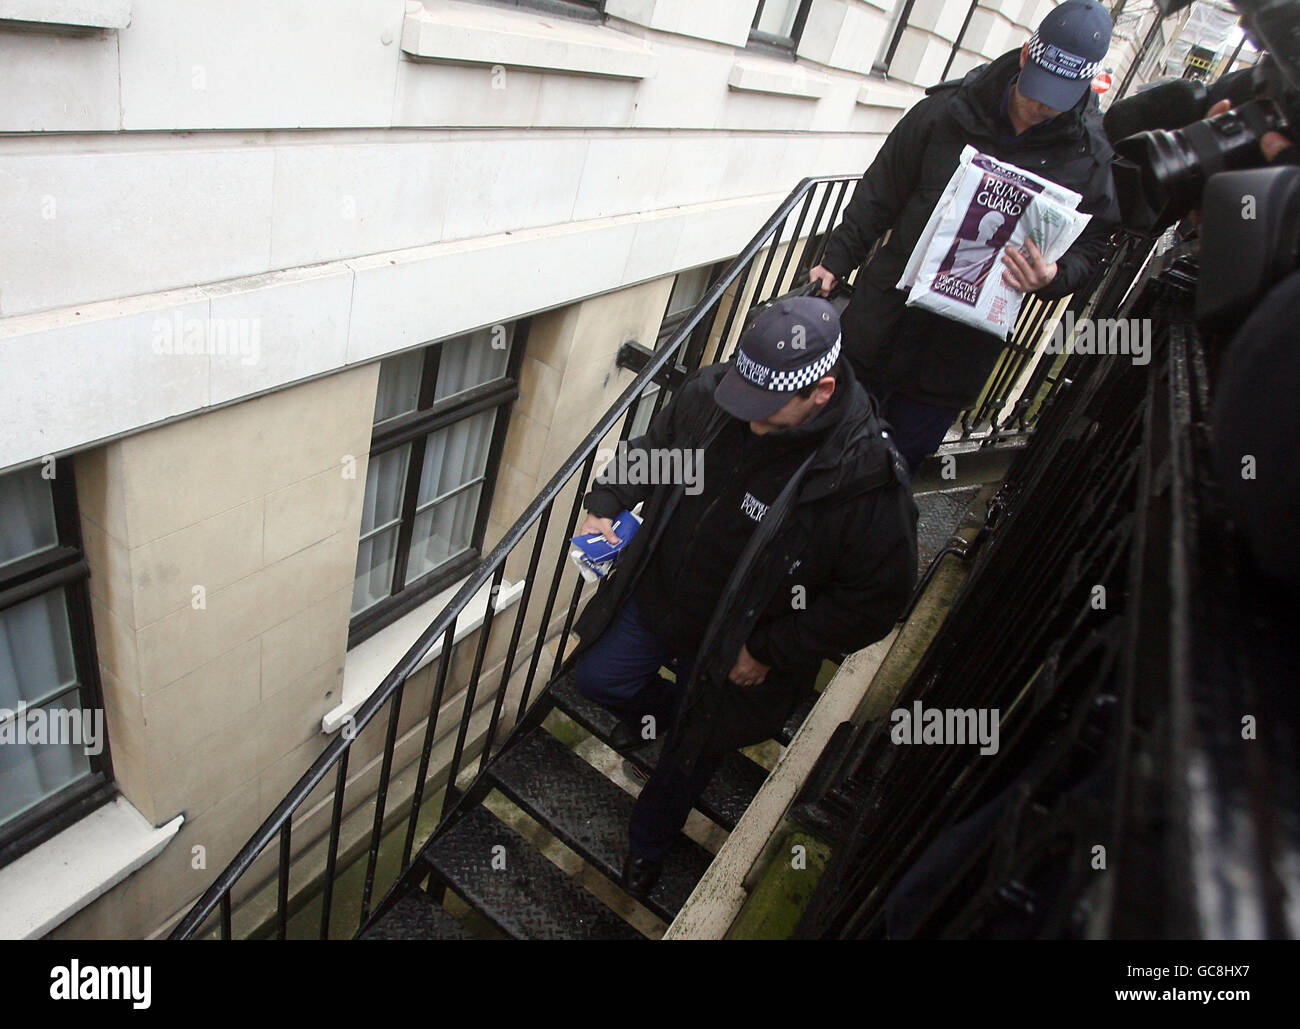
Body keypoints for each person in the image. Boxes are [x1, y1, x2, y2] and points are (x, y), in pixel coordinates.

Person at [564, 295, 918, 898]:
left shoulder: (866, 482)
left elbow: (876, 600)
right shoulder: (716, 393)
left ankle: (647, 847)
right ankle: (662, 717)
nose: (749, 423)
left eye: (767, 414)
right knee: (594, 677)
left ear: (821, 392)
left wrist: (773, 649)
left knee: (687, 760)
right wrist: (611, 498)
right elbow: (663, 449)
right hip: (664, 594)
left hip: (742, 644)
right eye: (743, 402)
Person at [809, 0, 1120, 471]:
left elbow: (1094, 248)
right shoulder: (946, 112)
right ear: (1024, 57)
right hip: (877, 325)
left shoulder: (1089, 159)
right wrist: (836, 259)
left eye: (1061, 95)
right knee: (818, 447)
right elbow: (882, 190)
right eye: (1040, 88)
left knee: (888, 475)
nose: (1043, 106)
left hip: (952, 361)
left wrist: (1054, 275)